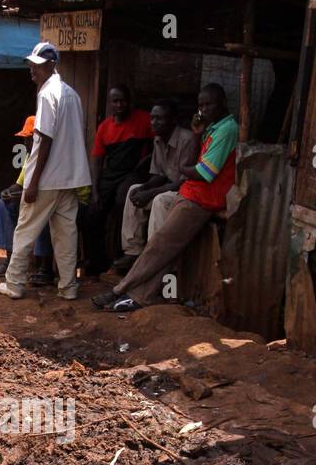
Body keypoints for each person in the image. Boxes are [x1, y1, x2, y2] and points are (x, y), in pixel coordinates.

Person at [93, 84, 239, 313]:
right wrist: (196, 144)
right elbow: (186, 169)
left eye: (208, 104)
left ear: (222, 103)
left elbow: (205, 172)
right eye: (200, 105)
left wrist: (186, 167)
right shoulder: (210, 129)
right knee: (162, 245)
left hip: (203, 199)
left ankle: (120, 290)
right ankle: (138, 293)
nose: (203, 109)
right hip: (190, 192)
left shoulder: (227, 129)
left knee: (161, 244)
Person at [0, 42, 90, 301]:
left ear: (51, 65)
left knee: (25, 230)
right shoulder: (72, 93)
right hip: (69, 178)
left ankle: (14, 283)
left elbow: (46, 140)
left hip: (48, 178)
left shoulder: (47, 94)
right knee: (66, 235)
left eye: (36, 66)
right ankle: (69, 287)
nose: (31, 71)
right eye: (30, 65)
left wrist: (32, 181)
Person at [113, 99, 198, 274]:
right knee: (133, 190)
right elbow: (159, 174)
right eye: (152, 118)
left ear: (173, 120)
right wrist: (144, 189)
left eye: (159, 118)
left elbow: (183, 181)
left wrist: (150, 192)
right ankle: (133, 251)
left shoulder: (187, 139)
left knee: (159, 200)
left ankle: (154, 257)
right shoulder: (158, 139)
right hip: (169, 188)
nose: (154, 123)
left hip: (186, 194)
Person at [80, 85, 152, 276]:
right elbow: (97, 160)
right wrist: (95, 191)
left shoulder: (144, 120)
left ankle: (121, 259)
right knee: (92, 213)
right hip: (111, 175)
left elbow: (157, 146)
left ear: (129, 101)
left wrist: (145, 163)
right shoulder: (105, 127)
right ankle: (95, 263)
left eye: (123, 100)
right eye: (115, 101)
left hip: (134, 173)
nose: (120, 104)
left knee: (123, 202)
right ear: (110, 103)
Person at [0, 115, 54, 285]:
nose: (26, 143)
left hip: (52, 202)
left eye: (29, 138)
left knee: (42, 211)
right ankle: (9, 259)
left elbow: (46, 191)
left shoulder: (50, 156)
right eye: (25, 139)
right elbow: (19, 185)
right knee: (5, 203)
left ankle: (44, 268)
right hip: (31, 200)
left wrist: (22, 194)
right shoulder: (29, 157)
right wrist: (8, 192)